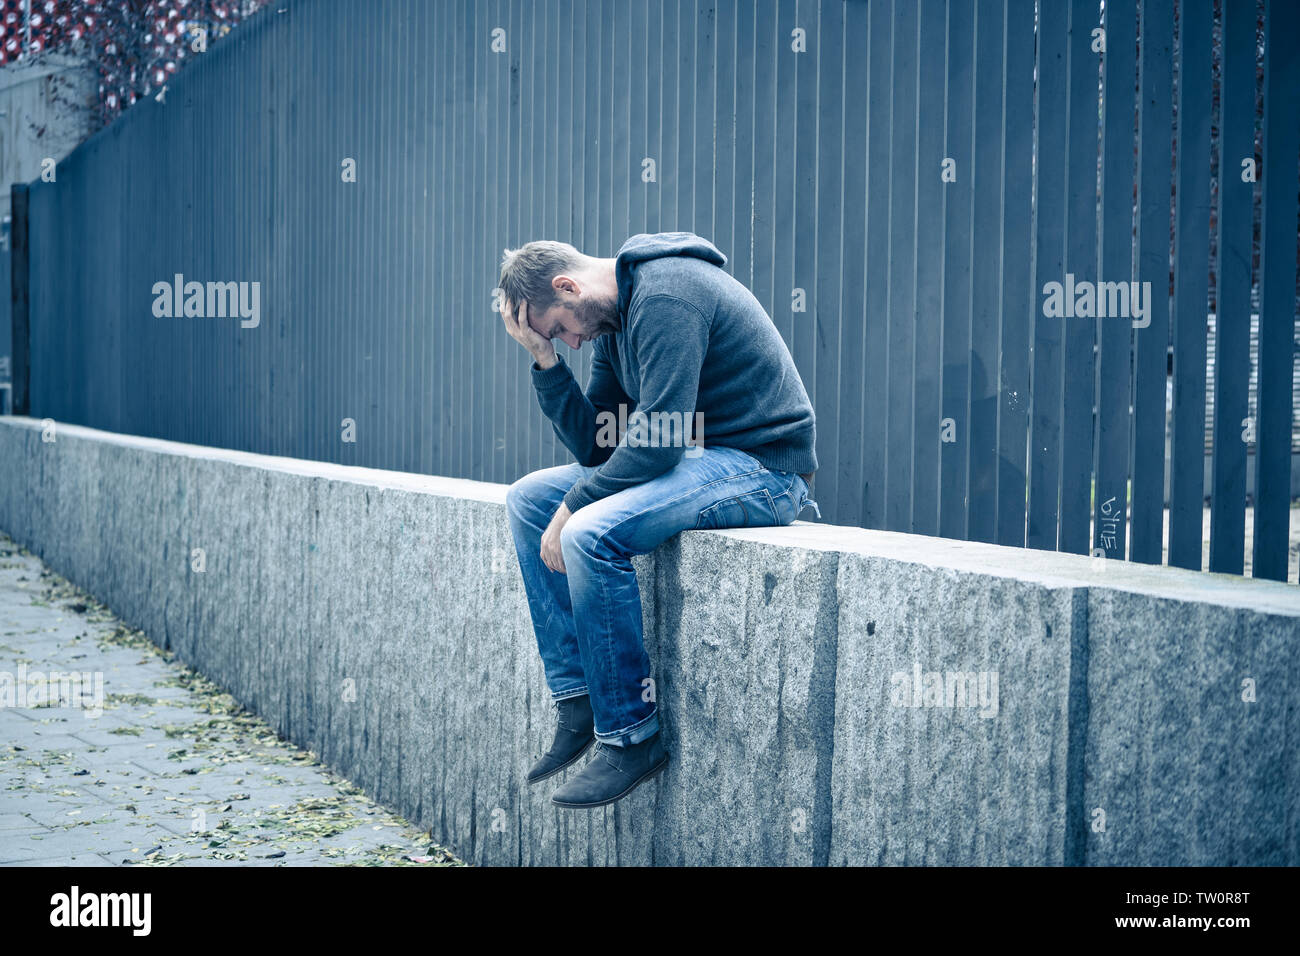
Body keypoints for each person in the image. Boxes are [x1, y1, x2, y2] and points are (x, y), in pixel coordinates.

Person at [498, 231, 820, 809]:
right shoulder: (614, 325)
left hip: (763, 469)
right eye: (557, 342)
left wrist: (575, 506)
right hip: (700, 459)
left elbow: (662, 438)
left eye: (558, 331)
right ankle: (579, 700)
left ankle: (630, 738)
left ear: (568, 286)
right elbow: (599, 448)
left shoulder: (668, 295)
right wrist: (543, 361)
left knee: (589, 532)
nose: (569, 342)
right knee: (528, 501)